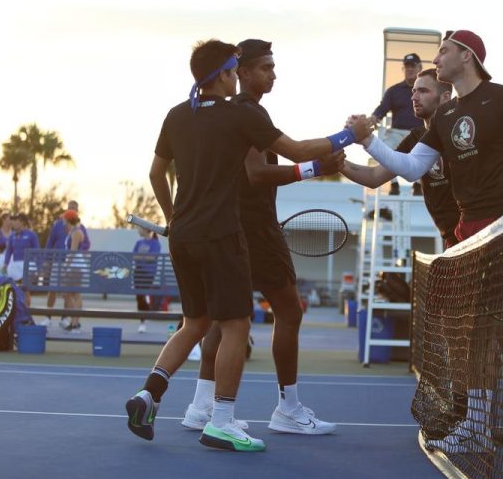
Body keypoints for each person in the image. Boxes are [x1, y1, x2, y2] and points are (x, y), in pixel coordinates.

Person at [125, 38, 370, 452]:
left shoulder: (176, 114)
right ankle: (221, 420)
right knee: (237, 325)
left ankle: (149, 393)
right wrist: (349, 134)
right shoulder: (238, 116)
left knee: (196, 323)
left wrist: (172, 217)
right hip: (221, 235)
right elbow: (294, 149)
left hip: (183, 236)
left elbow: (155, 173)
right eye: (235, 66)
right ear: (225, 73)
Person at [355, 29, 503, 458]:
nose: (438, 56)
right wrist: (369, 141)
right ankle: (476, 425)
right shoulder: (446, 118)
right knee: (475, 332)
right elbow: (411, 168)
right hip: (470, 235)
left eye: (445, 50)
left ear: (467, 56)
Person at [181, 38, 341, 436]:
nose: (273, 73)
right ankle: (288, 408)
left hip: (230, 226)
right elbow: (257, 173)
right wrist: (318, 163)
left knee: (224, 320)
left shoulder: (226, 112)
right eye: (265, 67)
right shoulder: (247, 113)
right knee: (289, 311)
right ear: (244, 72)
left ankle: (201, 406)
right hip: (254, 229)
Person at [342, 68, 458, 248]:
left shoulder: (459, 130)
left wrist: (366, 139)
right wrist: (337, 162)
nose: (414, 97)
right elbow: (374, 177)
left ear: (445, 98)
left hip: (478, 233)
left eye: (423, 91)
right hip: (450, 238)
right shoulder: (416, 137)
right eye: (413, 91)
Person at [369, 52, 425, 194]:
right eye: (407, 66)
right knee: (382, 149)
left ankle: (419, 185)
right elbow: (382, 108)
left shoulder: (427, 90)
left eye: (413, 66)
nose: (410, 69)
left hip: (420, 133)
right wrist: (374, 117)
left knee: (431, 147)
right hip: (397, 133)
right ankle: (394, 185)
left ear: (420, 67)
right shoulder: (394, 91)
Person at [42, 200, 91, 328]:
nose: (72, 210)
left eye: (74, 209)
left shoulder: (80, 229)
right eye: (70, 208)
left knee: (69, 293)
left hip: (71, 263)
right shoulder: (58, 225)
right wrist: (47, 260)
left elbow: (85, 244)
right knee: (53, 289)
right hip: (59, 261)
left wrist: (79, 252)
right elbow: (50, 242)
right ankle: (48, 316)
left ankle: (67, 317)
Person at [1, 213, 40, 307]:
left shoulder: (31, 235)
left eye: (16, 221)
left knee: (25, 290)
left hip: (28, 265)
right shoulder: (12, 236)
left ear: (22, 222)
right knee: (15, 290)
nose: (13, 223)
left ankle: (26, 313)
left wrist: (38, 267)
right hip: (15, 266)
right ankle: (18, 313)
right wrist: (5, 265)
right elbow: (9, 251)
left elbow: (37, 251)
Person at [60, 209, 86, 333]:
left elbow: (73, 251)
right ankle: (74, 321)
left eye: (64, 219)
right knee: (67, 293)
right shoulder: (72, 231)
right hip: (73, 266)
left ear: (68, 219)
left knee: (75, 294)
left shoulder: (76, 232)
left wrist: (66, 266)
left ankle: (75, 323)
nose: (63, 221)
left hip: (76, 266)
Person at [132, 226, 161, 334]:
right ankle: (143, 317)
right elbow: (134, 256)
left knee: (142, 295)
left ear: (146, 230)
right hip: (138, 272)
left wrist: (141, 257)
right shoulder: (139, 242)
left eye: (140, 229)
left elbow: (152, 258)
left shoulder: (155, 243)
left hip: (148, 273)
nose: (138, 230)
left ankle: (143, 321)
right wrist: (144, 257)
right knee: (139, 297)